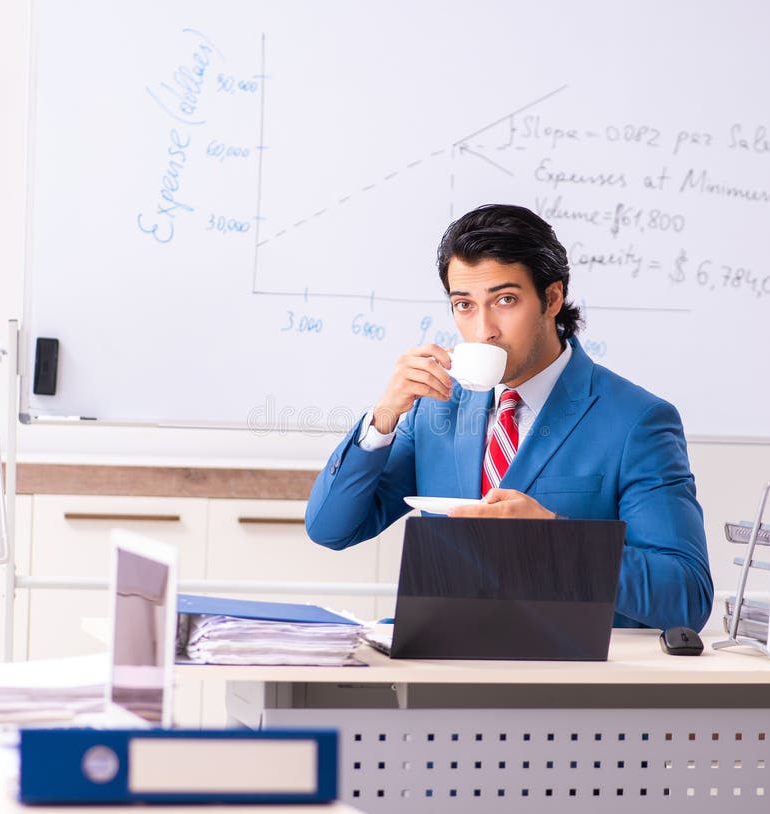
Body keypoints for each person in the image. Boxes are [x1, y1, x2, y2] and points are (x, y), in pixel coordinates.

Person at [305, 204, 713, 631]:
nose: (484, 330)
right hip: (447, 665)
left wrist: (554, 538)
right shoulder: (437, 406)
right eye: (464, 305)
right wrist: (384, 416)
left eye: (505, 300)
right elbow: (332, 530)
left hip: (567, 678)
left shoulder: (637, 422)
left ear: (551, 298)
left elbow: (685, 598)